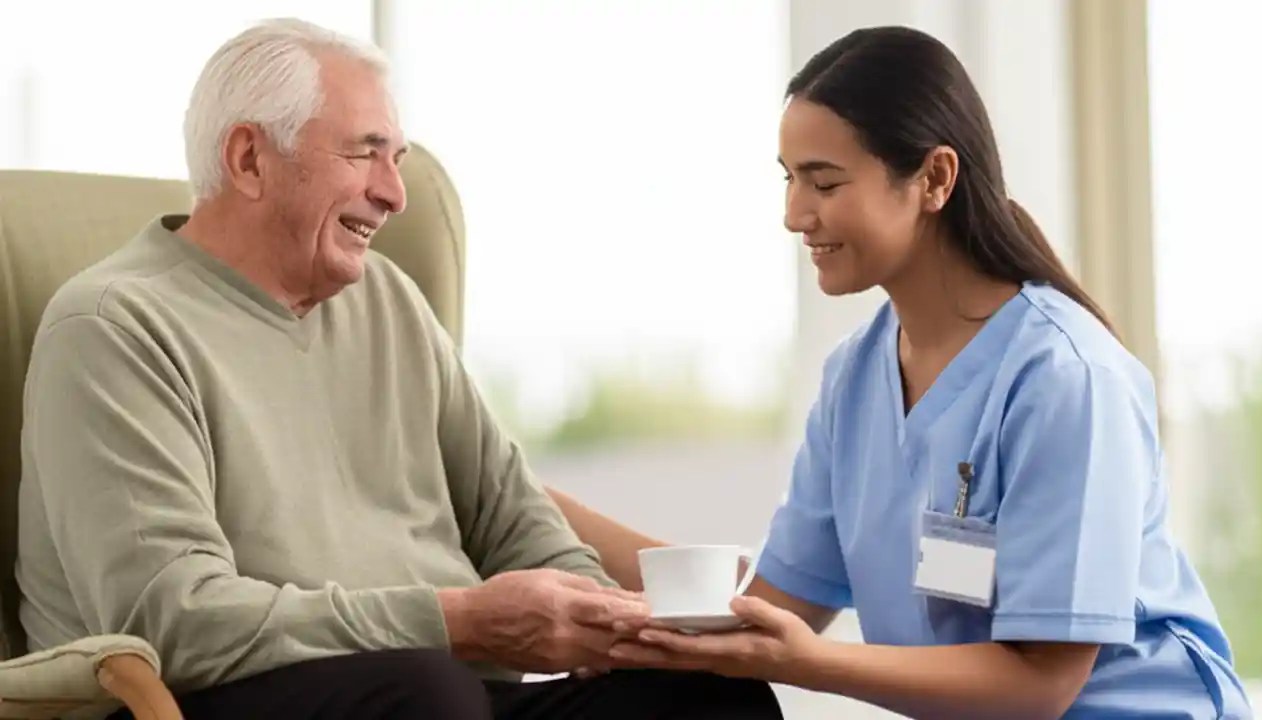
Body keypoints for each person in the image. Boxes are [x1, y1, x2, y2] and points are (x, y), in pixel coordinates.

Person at [14, 18, 782, 720]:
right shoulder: (114, 326)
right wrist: (456, 621)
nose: (393, 192)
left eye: (398, 158)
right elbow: (174, 622)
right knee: (424, 689)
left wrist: (599, 624)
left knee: (704, 698)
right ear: (249, 158)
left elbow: (512, 516)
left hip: (442, 692)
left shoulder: (386, 297)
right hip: (219, 698)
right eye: (364, 152)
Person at [549, 26, 1253, 719]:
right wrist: (515, 495)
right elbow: (762, 607)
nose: (795, 214)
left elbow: (1040, 687)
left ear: (934, 179)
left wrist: (805, 662)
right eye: (790, 180)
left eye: (823, 181)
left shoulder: (1067, 378)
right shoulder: (855, 381)